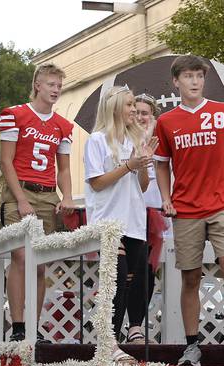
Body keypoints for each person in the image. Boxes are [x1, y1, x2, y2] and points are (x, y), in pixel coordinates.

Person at [153, 55, 224, 366]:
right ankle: (192, 344)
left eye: (199, 76)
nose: (194, 81)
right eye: (188, 76)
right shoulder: (166, 121)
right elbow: (161, 163)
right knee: (191, 276)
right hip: (185, 208)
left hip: (222, 203)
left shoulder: (222, 112)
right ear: (176, 82)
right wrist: (166, 197)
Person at [0, 63, 76, 342]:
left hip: (46, 194)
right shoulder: (14, 115)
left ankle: (33, 325)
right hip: (20, 190)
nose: (56, 90)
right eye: (51, 84)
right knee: (20, 256)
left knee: (40, 263)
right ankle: (17, 326)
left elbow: (64, 168)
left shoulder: (63, 126)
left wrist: (66, 196)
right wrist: (20, 199)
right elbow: (6, 161)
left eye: (59, 85)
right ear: (37, 85)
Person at [84, 85, 155, 342]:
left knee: (129, 281)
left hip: (134, 221)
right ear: (113, 107)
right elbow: (97, 182)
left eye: (135, 105)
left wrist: (144, 163)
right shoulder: (97, 140)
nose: (134, 110)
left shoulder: (135, 141)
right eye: (129, 105)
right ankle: (108, 340)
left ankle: (118, 339)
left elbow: (143, 186)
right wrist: (129, 165)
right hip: (108, 221)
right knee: (118, 277)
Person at [124, 93, 168, 344]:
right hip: (131, 211)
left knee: (151, 270)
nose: (140, 116)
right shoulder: (122, 140)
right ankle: (129, 325)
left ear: (153, 116)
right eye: (136, 111)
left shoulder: (161, 142)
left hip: (158, 212)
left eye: (145, 113)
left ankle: (140, 324)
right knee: (129, 270)